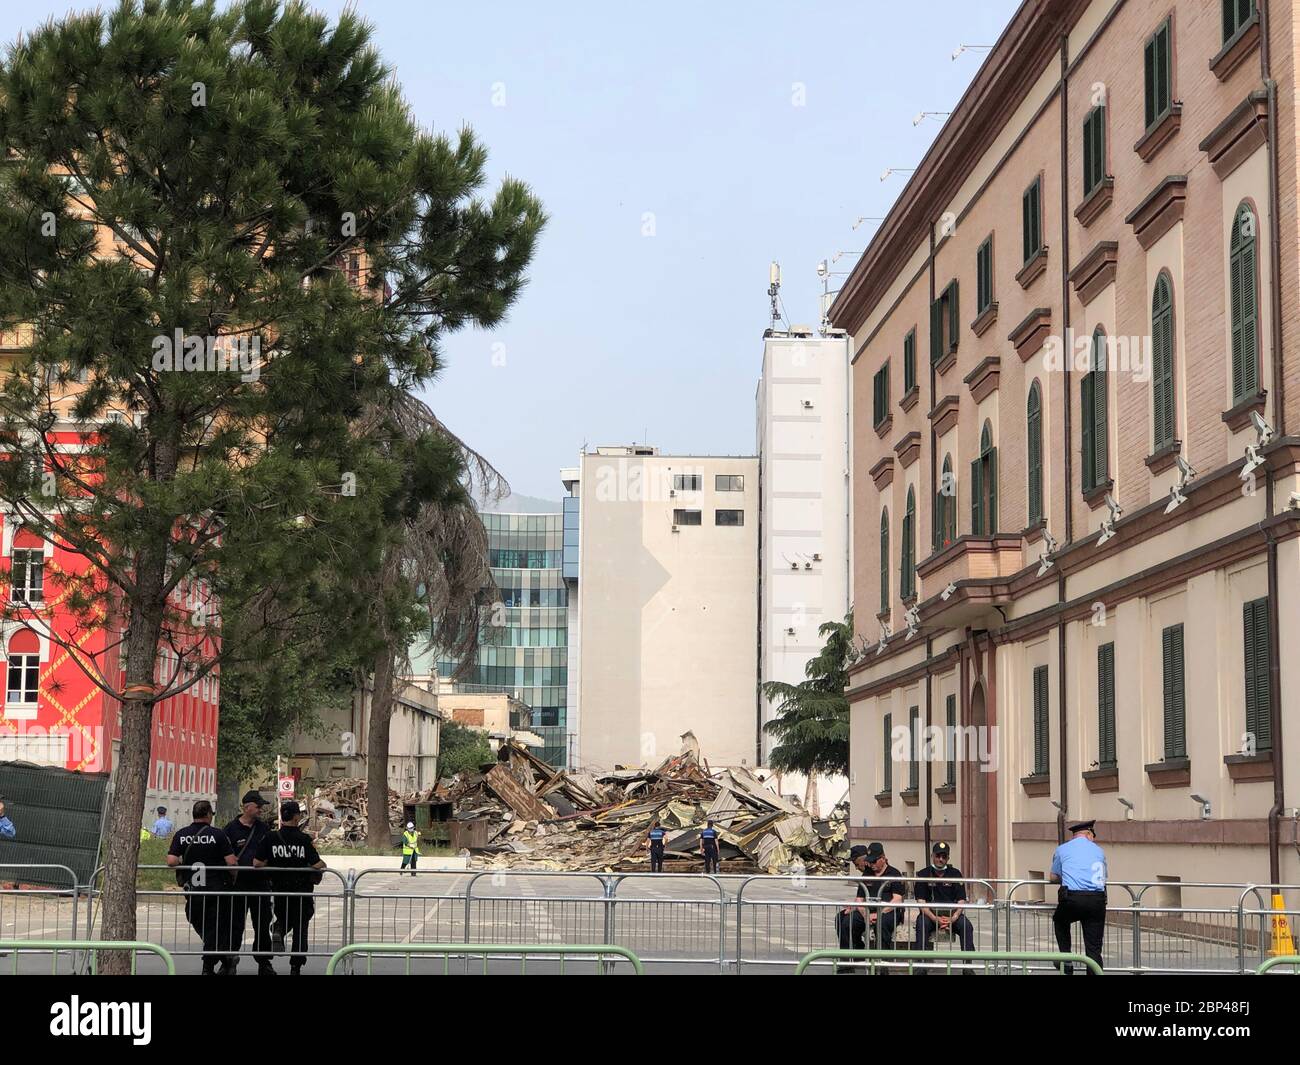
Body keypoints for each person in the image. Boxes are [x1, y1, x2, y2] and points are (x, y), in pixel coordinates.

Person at [166, 800, 237, 975]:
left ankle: (217, 959)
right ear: (208, 814)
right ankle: (216, 961)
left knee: (200, 923)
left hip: (194, 892)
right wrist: (233, 880)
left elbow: (171, 861)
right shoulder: (218, 835)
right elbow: (231, 863)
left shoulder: (182, 834)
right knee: (214, 928)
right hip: (215, 890)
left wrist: (185, 862)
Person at [254, 800, 325, 975]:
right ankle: (296, 966)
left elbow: (257, 863)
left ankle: (279, 928)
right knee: (301, 925)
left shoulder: (271, 838)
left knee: (284, 915)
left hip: (279, 889)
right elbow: (317, 864)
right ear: (296, 817)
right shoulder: (303, 839)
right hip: (301, 890)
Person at [225, 790, 275, 975]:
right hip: (238, 885)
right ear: (247, 807)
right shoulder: (230, 829)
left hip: (260, 885)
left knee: (262, 924)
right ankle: (229, 961)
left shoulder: (264, 829)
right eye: (258, 806)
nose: (261, 809)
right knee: (235, 925)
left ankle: (264, 963)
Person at [834, 842, 905, 972]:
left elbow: (897, 899)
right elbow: (860, 899)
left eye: (874, 862)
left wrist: (878, 914)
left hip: (888, 912)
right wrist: (866, 914)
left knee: (882, 925)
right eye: (870, 862)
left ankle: (883, 966)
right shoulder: (867, 874)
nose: (871, 865)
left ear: (883, 858)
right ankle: (847, 962)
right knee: (846, 921)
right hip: (867, 911)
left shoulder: (894, 873)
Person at [1050, 819, 1108, 975]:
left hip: (1072, 899)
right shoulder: (1099, 851)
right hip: (1097, 899)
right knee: (1094, 947)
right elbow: (1104, 877)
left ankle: (1066, 961)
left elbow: (1053, 877)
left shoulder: (1062, 849)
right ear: (1089, 834)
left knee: (1060, 921)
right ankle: (1094, 972)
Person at [914, 841, 975, 971]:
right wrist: (934, 918)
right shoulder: (923, 874)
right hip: (929, 915)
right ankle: (920, 967)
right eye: (938, 856)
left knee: (967, 927)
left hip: (952, 915)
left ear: (948, 858)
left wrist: (954, 917)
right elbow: (921, 901)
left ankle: (968, 967)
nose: (940, 859)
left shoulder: (955, 874)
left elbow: (961, 900)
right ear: (932, 856)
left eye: (944, 856)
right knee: (921, 925)